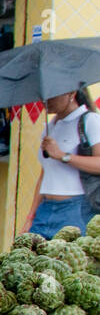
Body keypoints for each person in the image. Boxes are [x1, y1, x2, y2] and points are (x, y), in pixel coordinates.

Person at [25, 88, 100, 236]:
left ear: (72, 93)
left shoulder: (90, 120)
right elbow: (45, 174)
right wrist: (30, 217)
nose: (46, 100)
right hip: (45, 209)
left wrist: (62, 156)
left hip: (76, 210)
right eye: (44, 96)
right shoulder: (50, 126)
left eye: (53, 95)